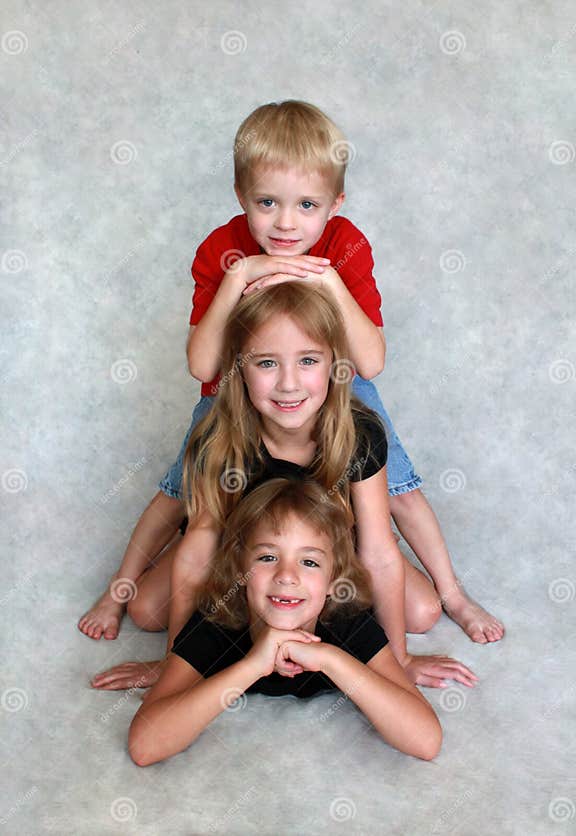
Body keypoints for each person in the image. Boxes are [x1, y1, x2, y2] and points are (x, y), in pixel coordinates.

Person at [83, 99, 503, 650]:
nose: (286, 223)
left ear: (335, 204)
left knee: (398, 489)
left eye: (307, 205)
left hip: (335, 381)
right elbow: (203, 366)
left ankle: (449, 590)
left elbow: (371, 362)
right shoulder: (222, 249)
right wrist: (240, 277)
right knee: (180, 492)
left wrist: (329, 282)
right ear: (241, 196)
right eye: (267, 202)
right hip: (239, 386)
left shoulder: (344, 244)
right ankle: (123, 587)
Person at [92, 282, 479, 694]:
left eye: (308, 360)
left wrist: (398, 662)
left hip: (321, 552)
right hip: (243, 551)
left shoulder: (359, 434)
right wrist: (176, 665)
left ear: (335, 364)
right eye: (266, 363)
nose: (289, 385)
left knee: (421, 612)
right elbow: (200, 548)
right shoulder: (220, 438)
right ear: (239, 368)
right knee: (147, 611)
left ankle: (334, 559)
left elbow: (379, 551)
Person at [128, 478, 443, 767]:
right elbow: (144, 746)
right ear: (240, 569)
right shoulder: (219, 619)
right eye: (268, 558)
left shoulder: (347, 620)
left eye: (309, 562)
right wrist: (253, 665)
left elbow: (426, 741)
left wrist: (331, 659)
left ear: (334, 580)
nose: (287, 576)